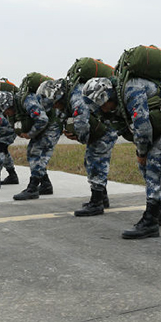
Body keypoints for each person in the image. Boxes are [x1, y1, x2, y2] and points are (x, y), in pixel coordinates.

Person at [82, 74, 161, 239]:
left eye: (102, 105)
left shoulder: (131, 90)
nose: (103, 110)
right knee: (147, 164)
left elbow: (142, 126)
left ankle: (150, 221)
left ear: (105, 97)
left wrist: (142, 152)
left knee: (154, 161)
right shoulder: (116, 102)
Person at [61, 68, 119, 217]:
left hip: (106, 128)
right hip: (105, 126)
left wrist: (80, 138)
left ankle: (97, 203)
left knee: (96, 161)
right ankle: (102, 198)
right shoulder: (75, 92)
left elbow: (81, 122)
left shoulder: (76, 97)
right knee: (92, 161)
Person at [5, 77, 63, 200]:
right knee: (32, 152)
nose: (6, 114)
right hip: (46, 126)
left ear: (9, 105)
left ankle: (33, 188)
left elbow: (42, 119)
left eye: (6, 111)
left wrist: (30, 134)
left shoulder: (27, 101)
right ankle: (46, 185)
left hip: (52, 125)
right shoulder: (17, 105)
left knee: (37, 154)